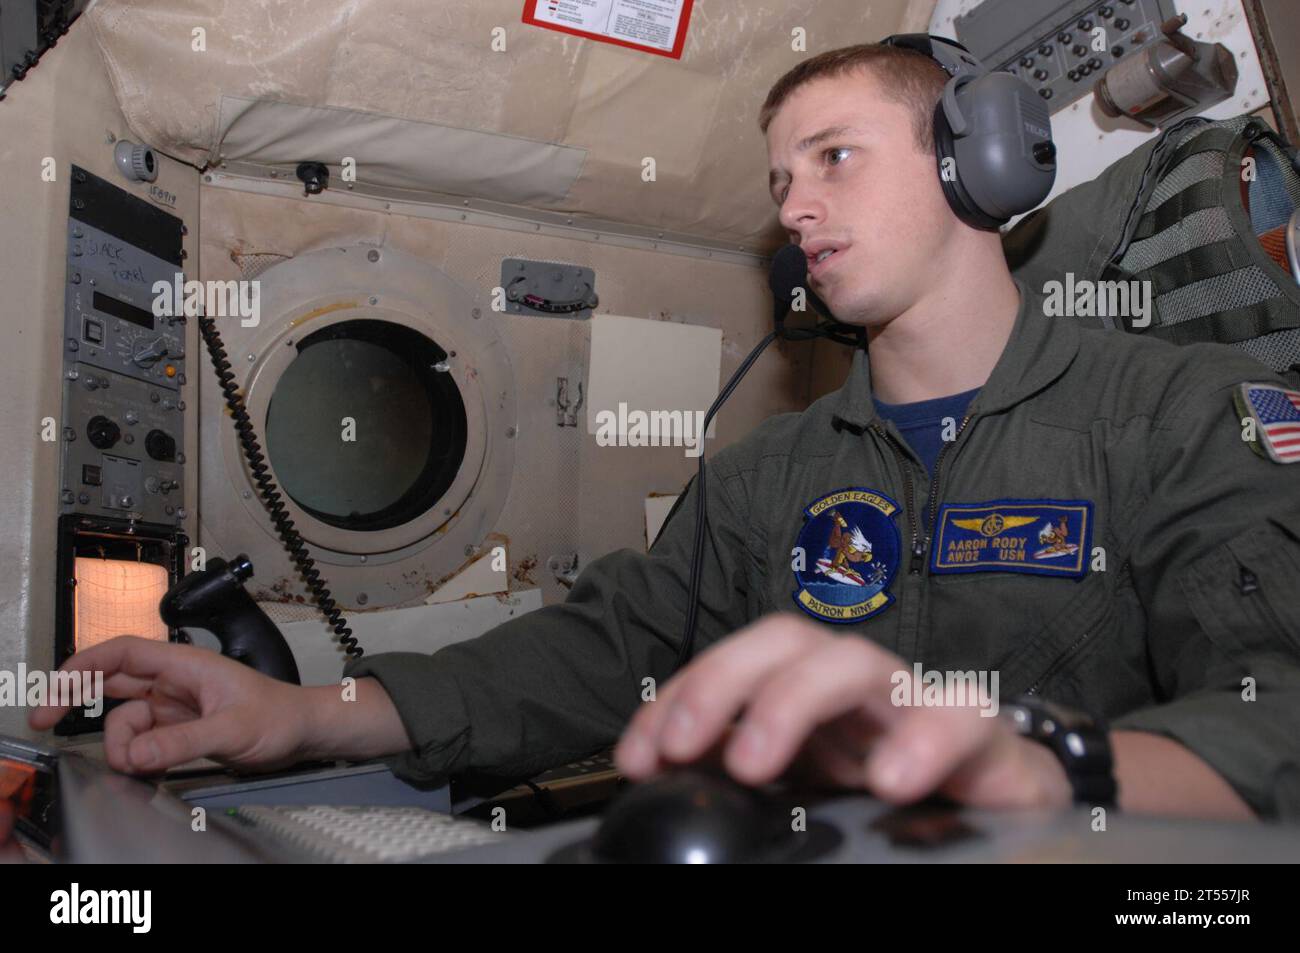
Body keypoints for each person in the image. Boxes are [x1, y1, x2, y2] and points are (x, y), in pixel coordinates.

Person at [27, 41, 1300, 825]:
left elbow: (1273, 706)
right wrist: (299, 716)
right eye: (779, 182)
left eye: (835, 157)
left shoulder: (1175, 420)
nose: (796, 205)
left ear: (989, 164)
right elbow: (592, 654)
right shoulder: (770, 478)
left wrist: (1046, 767)